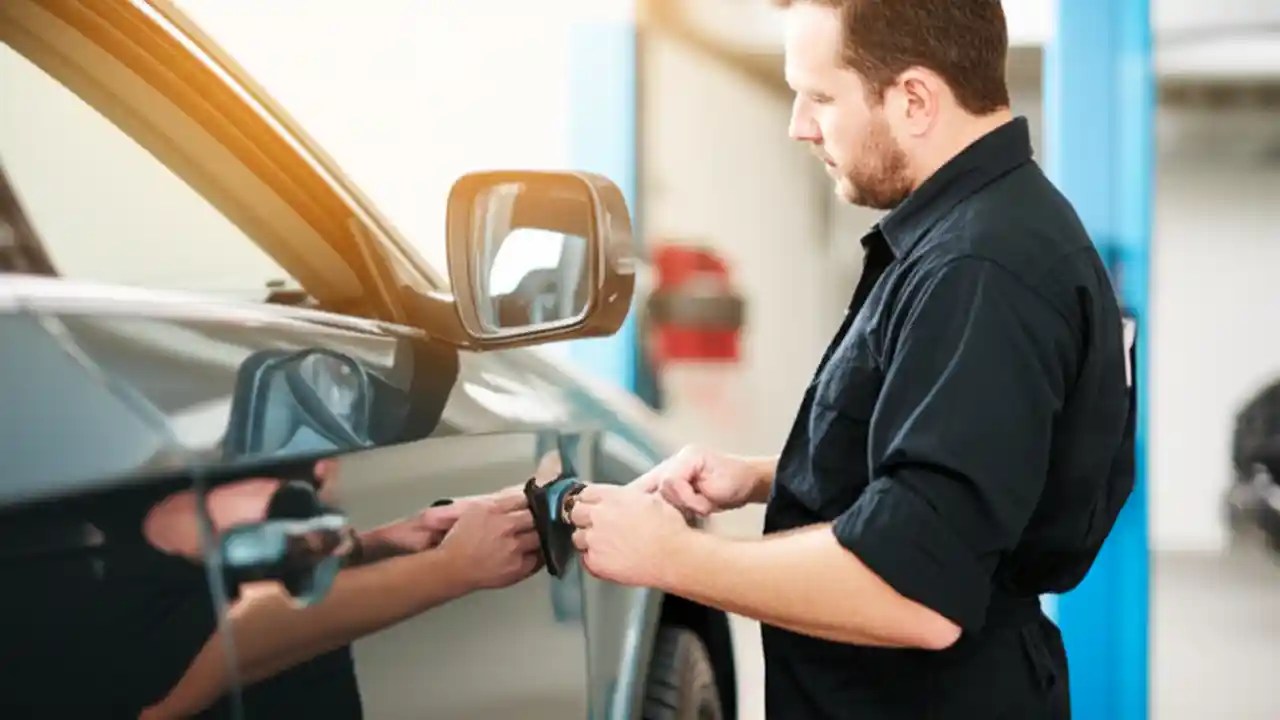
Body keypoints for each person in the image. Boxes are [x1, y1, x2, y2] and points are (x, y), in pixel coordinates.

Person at [567, 1, 1136, 718]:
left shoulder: (982, 270)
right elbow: (972, 472)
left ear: (915, 99)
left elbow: (916, 591)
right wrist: (763, 479)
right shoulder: (978, 239)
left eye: (820, 96)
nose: (799, 124)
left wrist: (670, 557)